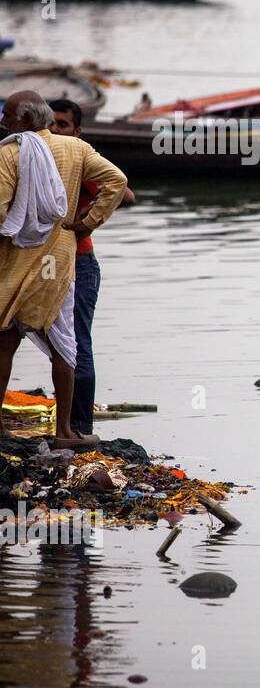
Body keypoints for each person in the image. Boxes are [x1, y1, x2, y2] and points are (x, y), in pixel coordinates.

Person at [0, 90, 127, 448]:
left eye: (8, 115)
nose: (3, 121)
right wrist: (87, 223)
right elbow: (117, 182)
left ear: (25, 120)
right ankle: (66, 433)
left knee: (6, 340)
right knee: (65, 348)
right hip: (61, 262)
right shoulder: (77, 149)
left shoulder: (11, 153)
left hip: (17, 260)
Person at [50, 98, 136, 437]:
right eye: (51, 123)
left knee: (76, 344)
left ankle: (79, 427)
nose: (55, 130)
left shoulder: (76, 158)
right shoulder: (42, 154)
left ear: (77, 131)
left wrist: (86, 222)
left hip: (78, 261)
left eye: (63, 124)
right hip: (42, 262)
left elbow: (124, 194)